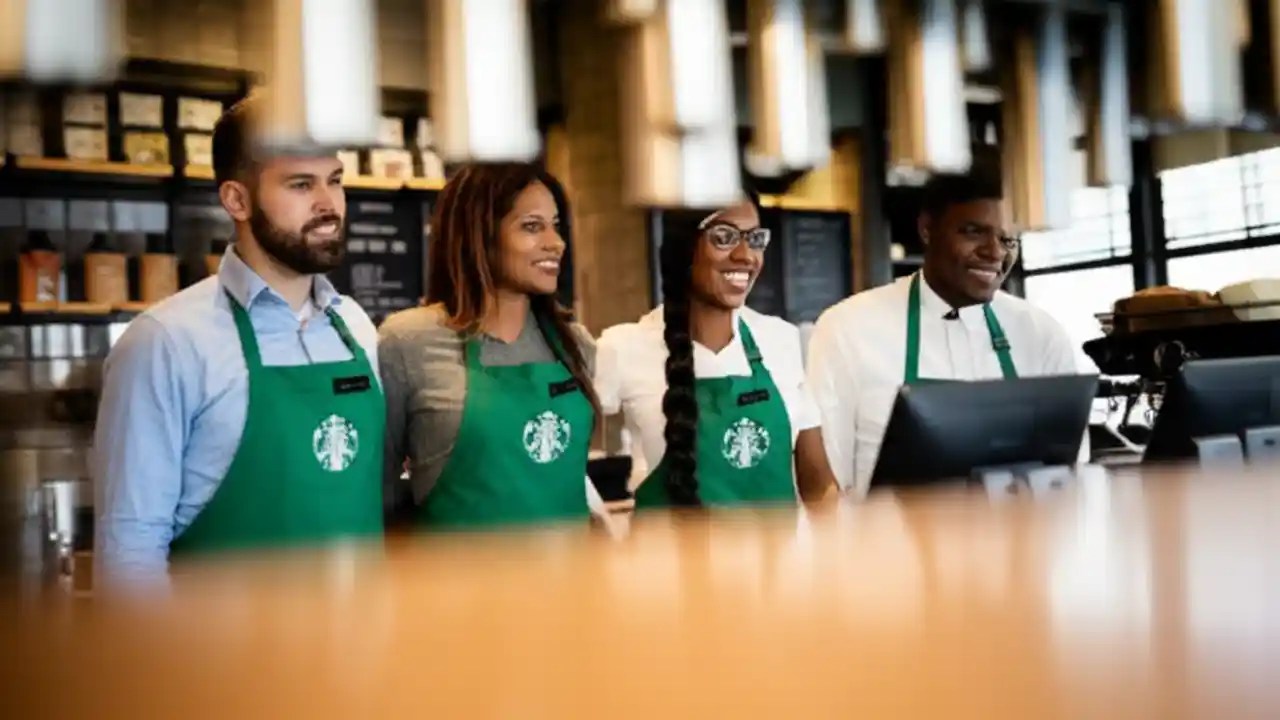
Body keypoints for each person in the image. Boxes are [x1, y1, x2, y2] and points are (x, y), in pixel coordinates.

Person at [93, 95, 383, 585]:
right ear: (237, 200)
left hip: (361, 651)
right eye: (300, 185)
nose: (328, 205)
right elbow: (130, 557)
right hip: (225, 659)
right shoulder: (165, 343)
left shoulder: (354, 325)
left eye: (335, 181)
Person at [805, 169, 1083, 496]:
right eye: (974, 232)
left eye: (1008, 239)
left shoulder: (1041, 334)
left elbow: (1067, 479)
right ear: (927, 229)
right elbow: (828, 490)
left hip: (1017, 543)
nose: (995, 252)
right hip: (888, 546)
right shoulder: (847, 329)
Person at [378, 163, 599, 528]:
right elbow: (380, 495)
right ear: (479, 234)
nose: (555, 243)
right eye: (532, 226)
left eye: (555, 226)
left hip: (571, 580)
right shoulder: (408, 341)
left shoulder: (575, 345)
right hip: (457, 581)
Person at [594, 194, 837, 508]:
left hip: (777, 557)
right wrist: (596, 522)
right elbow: (553, 462)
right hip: (666, 557)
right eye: (725, 237)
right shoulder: (624, 347)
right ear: (685, 246)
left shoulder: (781, 340)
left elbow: (818, 484)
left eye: (755, 239)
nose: (746, 255)